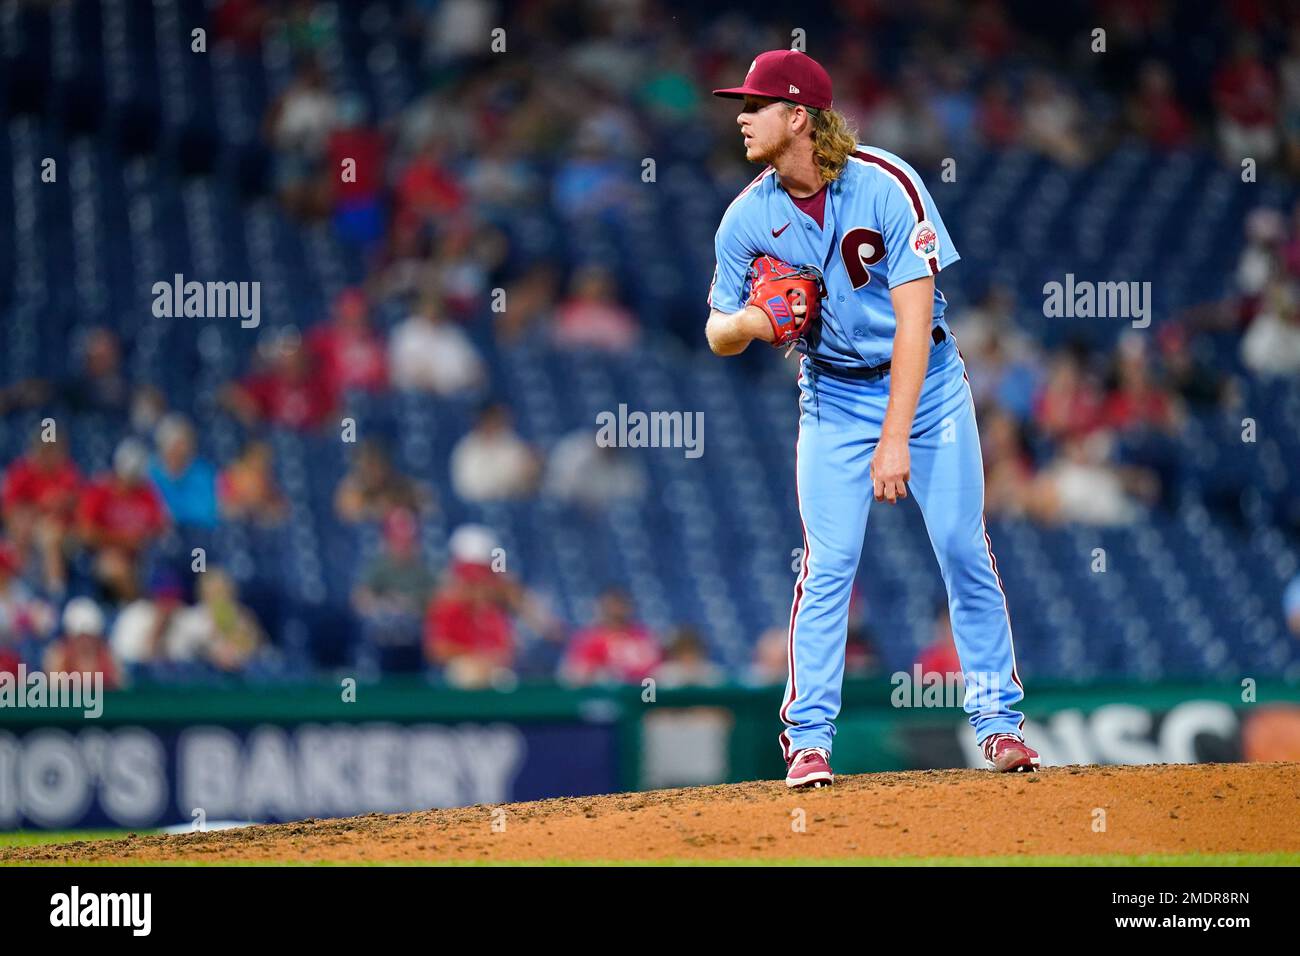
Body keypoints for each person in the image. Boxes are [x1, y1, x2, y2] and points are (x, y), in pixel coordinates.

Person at [704, 50, 1036, 788]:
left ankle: (998, 725)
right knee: (828, 566)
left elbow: (916, 323)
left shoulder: (889, 184)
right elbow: (716, 330)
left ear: (798, 117)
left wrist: (895, 439)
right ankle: (809, 743)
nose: (741, 115)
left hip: (929, 388)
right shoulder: (747, 215)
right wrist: (756, 323)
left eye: (756, 104)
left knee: (960, 545)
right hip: (831, 394)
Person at [77, 439, 169, 602]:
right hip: (103, 554)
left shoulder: (147, 493)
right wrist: (123, 541)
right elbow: (86, 533)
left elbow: (161, 527)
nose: (132, 481)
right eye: (129, 475)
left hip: (140, 556)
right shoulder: (101, 491)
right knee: (115, 567)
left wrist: (144, 540)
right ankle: (137, 605)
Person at [559, 588, 661, 686]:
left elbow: (653, 665)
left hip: (643, 691)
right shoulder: (592, 638)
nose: (616, 610)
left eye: (620, 604)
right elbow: (578, 673)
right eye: (611, 605)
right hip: (609, 694)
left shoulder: (641, 635)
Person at [449, 403, 540, 503]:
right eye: (494, 421)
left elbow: (525, 480)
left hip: (512, 502)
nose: (498, 425)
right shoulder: (466, 449)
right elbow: (468, 488)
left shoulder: (511, 442)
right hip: (479, 506)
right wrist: (507, 480)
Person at [148, 414, 219, 530]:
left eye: (185, 443)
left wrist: (174, 515)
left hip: (199, 535)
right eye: (176, 444)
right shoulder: (149, 472)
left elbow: (207, 513)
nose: (182, 450)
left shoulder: (203, 472)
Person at [44, 597, 121, 691]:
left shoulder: (108, 656)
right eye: (80, 637)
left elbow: (120, 686)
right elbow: (54, 690)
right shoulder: (59, 656)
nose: (85, 642)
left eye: (89, 636)